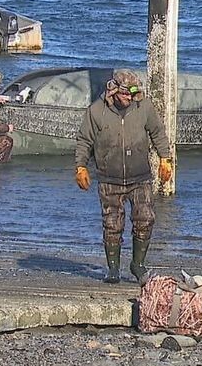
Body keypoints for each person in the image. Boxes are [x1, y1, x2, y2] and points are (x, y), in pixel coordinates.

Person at [74, 69, 173, 284]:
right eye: (125, 94)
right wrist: (81, 166)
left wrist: (165, 158)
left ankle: (137, 265)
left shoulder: (143, 106)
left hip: (140, 177)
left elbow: (158, 132)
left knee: (145, 219)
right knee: (112, 224)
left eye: (132, 94)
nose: (129, 98)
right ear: (114, 91)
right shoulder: (96, 111)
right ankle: (113, 269)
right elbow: (84, 141)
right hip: (109, 178)